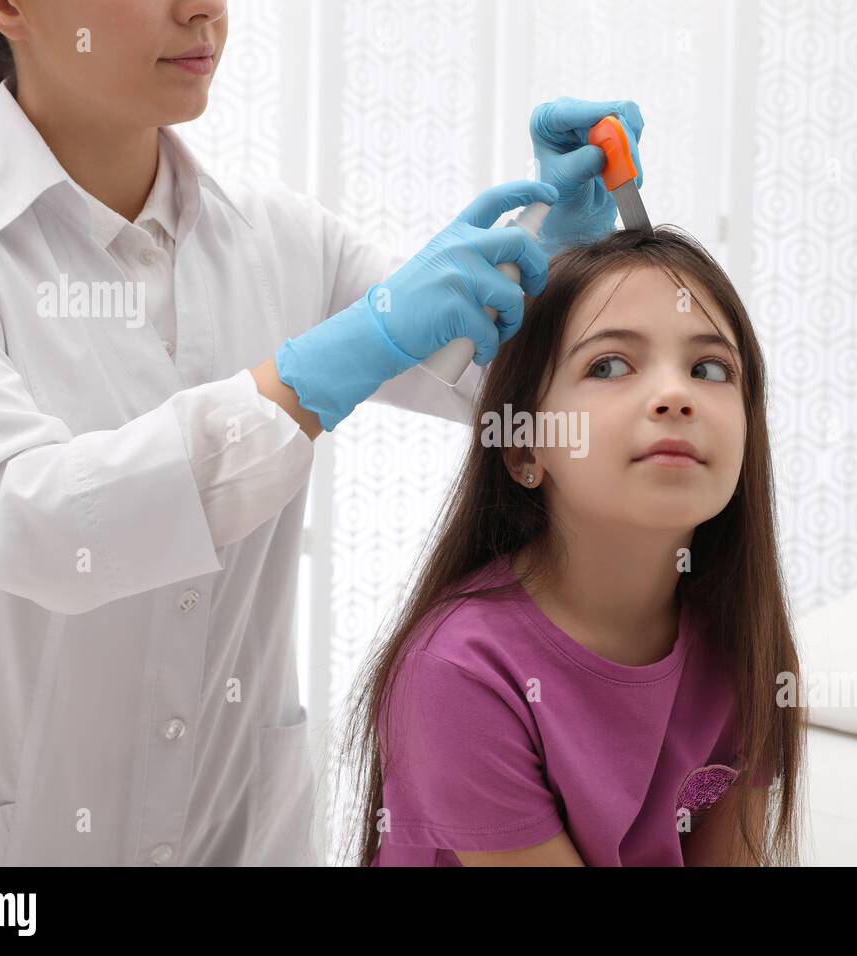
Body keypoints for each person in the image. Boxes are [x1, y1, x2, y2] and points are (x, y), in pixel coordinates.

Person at [0, 0, 644, 866]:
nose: (202, 9)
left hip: (240, 839)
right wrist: (321, 368)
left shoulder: (281, 238)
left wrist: (559, 261)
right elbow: (39, 524)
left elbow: (495, 391)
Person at [341, 227, 809, 867]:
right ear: (525, 447)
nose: (676, 396)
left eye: (709, 369)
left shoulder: (745, 651)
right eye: (609, 365)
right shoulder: (458, 671)